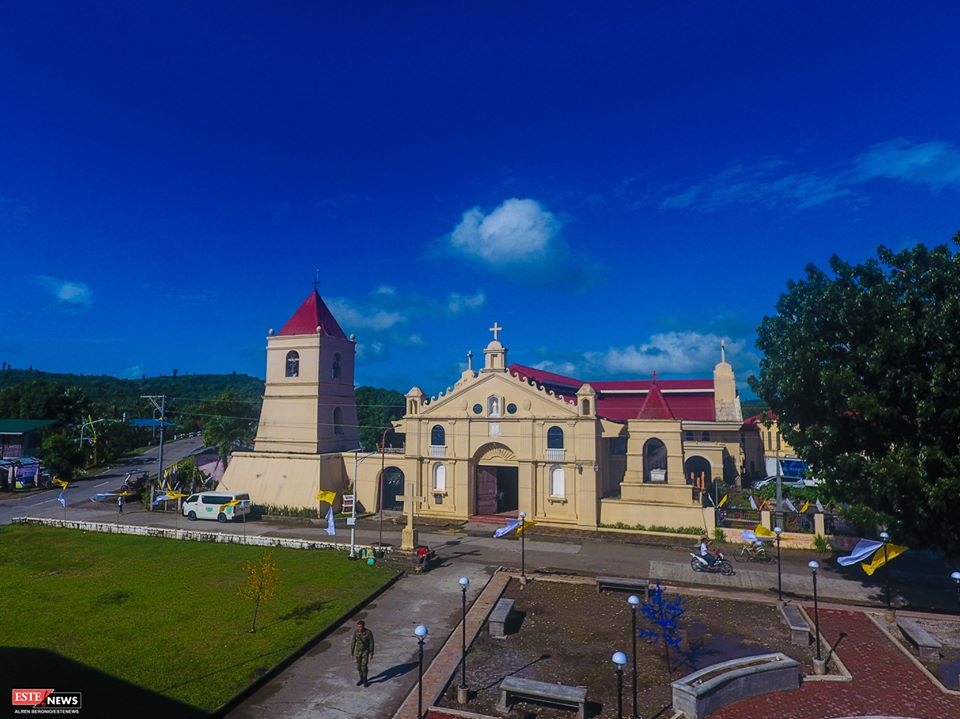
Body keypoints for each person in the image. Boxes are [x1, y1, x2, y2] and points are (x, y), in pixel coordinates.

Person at [351, 621, 375, 687]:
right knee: (359, 667)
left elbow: (371, 643)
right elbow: (353, 642)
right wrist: (352, 654)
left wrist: (371, 653)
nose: (359, 628)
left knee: (364, 666)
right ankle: (361, 679)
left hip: (365, 652)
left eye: (360, 627)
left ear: (363, 626)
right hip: (358, 652)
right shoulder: (356, 632)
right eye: (358, 627)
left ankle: (365, 680)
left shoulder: (368, 633)